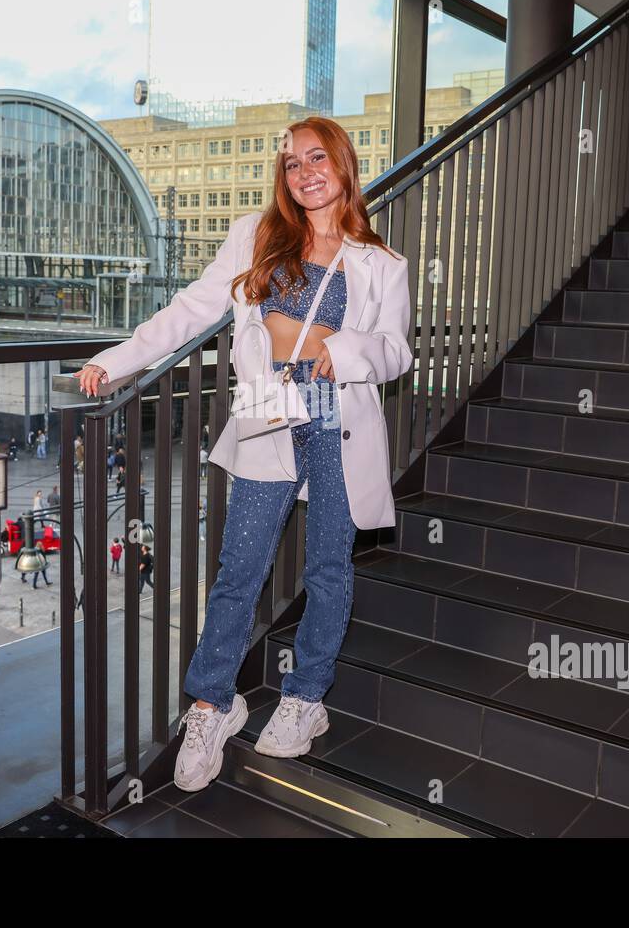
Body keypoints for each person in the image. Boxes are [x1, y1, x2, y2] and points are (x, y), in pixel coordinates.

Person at [74, 117, 413, 792]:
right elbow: (192, 308)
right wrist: (117, 360)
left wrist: (340, 352)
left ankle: (306, 695)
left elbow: (398, 350)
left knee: (328, 565)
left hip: (336, 416)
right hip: (268, 416)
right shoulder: (257, 237)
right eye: (292, 164)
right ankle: (212, 703)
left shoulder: (383, 262)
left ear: (343, 164)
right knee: (240, 565)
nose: (305, 173)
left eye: (318, 158)